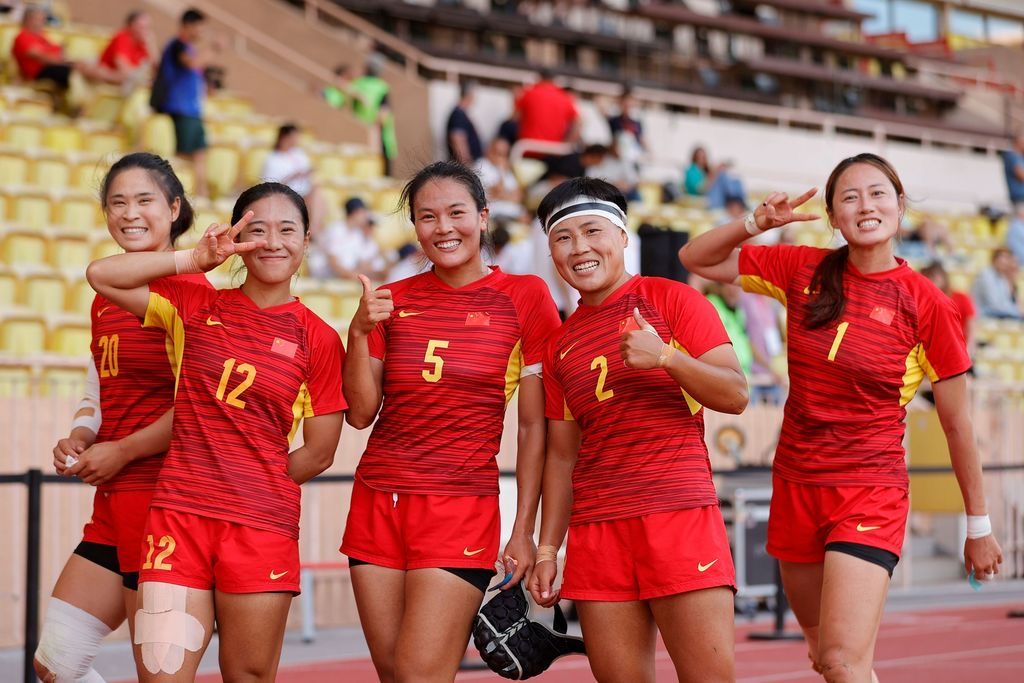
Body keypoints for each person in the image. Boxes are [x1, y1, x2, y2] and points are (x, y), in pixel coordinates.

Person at [679, 153, 1003, 682]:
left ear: (900, 206)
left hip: (868, 490)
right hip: (797, 485)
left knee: (841, 659)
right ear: (833, 216)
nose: (865, 205)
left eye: (878, 193)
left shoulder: (928, 305)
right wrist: (755, 225)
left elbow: (957, 426)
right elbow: (696, 257)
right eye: (849, 197)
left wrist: (979, 525)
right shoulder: (802, 268)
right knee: (829, 662)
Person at [86, 182, 347, 681]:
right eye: (257, 229)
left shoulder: (318, 337)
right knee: (161, 672)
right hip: (177, 518)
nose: (272, 241)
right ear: (237, 237)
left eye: (287, 229)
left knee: (247, 675)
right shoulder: (192, 301)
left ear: (307, 240)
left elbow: (318, 453)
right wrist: (193, 259)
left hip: (260, 527)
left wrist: (250, 483)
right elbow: (101, 275)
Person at [340, 161, 561, 682]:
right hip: (377, 500)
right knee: (394, 674)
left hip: (460, 507)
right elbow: (361, 413)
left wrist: (525, 531)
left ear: (483, 218)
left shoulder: (525, 296)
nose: (443, 228)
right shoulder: (390, 300)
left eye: (457, 213)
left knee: (421, 674)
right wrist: (357, 332)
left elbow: (536, 429)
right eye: (427, 217)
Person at [529, 177, 746, 683]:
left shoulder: (673, 301)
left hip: (678, 516)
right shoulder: (558, 344)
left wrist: (667, 358)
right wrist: (547, 548)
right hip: (597, 533)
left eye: (592, 231)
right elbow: (562, 457)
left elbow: (736, 394)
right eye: (563, 238)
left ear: (623, 236)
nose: (580, 247)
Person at [35, 153, 209, 683]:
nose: (129, 213)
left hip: (162, 499)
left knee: (156, 674)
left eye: (144, 200)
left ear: (174, 207)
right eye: (117, 202)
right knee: (56, 664)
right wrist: (83, 433)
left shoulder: (194, 294)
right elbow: (98, 380)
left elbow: (200, 409)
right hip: (113, 498)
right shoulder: (107, 296)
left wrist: (123, 450)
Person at [152, 8, 216, 197]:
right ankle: (176, 195)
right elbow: (193, 64)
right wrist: (214, 49)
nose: (201, 32)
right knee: (181, 158)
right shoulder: (177, 46)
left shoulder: (190, 49)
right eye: (199, 28)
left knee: (199, 155)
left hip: (193, 112)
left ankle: (200, 196)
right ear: (188, 26)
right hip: (180, 111)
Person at [11, 7, 117, 91]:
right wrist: (69, 63)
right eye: (38, 19)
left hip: (55, 67)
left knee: (86, 66)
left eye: (43, 20)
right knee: (77, 71)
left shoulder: (43, 38)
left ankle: (110, 81)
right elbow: (41, 57)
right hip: (40, 72)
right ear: (27, 20)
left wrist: (70, 61)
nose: (41, 23)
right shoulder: (23, 36)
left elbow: (59, 53)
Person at [261, 123, 326, 237]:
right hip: (285, 192)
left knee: (317, 191)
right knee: (314, 195)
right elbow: (270, 185)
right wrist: (292, 176)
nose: (296, 140)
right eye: (293, 137)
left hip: (303, 190)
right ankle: (312, 231)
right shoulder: (273, 159)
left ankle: (313, 228)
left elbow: (308, 170)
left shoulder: (298, 153)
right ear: (284, 138)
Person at [316, 197, 390, 282]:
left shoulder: (357, 234)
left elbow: (361, 265)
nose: (365, 216)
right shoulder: (336, 229)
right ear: (356, 213)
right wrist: (355, 277)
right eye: (363, 212)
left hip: (345, 276)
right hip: (327, 276)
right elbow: (333, 264)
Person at [349, 54, 397, 176]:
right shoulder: (382, 87)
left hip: (358, 133)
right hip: (379, 135)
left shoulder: (356, 84)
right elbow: (383, 113)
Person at [515, 69, 580, 151]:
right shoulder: (565, 98)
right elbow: (577, 123)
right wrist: (566, 145)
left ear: (540, 78)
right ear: (554, 80)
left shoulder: (528, 93)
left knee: (506, 126)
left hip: (526, 147)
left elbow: (515, 117)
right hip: (554, 151)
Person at [921, 261, 976, 357]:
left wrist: (969, 348)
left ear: (943, 277)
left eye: (935, 276)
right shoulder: (924, 301)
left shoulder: (961, 297)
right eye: (929, 277)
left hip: (959, 351)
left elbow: (971, 324)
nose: (932, 280)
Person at [98, 10, 154, 86]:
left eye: (147, 28)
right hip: (108, 77)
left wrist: (151, 46)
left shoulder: (143, 44)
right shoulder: (122, 37)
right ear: (131, 26)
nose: (145, 32)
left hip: (125, 81)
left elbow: (155, 70)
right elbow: (124, 68)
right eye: (141, 27)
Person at [475, 137, 525, 221]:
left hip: (509, 209)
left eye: (503, 154)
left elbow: (519, 197)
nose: (500, 157)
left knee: (526, 216)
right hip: (491, 210)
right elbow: (497, 191)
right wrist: (501, 171)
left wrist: (504, 195)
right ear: (489, 151)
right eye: (497, 153)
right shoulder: (482, 165)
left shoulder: (506, 170)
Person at [684, 146, 747, 211]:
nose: (702, 160)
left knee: (735, 180)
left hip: (712, 195)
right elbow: (700, 189)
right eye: (700, 157)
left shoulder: (703, 170)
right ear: (695, 158)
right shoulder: (692, 171)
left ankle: (737, 199)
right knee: (722, 175)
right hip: (702, 197)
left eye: (704, 157)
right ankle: (738, 200)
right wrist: (714, 173)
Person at [972, 247, 1022, 320]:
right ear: (994, 259)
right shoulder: (986, 275)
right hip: (983, 314)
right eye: (1003, 258)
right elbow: (994, 304)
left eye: (1007, 258)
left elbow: (1005, 302)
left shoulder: (1002, 277)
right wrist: (1017, 312)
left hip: (996, 313)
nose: (1005, 262)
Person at [446, 80, 483, 165]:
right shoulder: (458, 115)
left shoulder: (461, 114)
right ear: (470, 94)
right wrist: (467, 166)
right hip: (464, 167)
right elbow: (458, 141)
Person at [1000, 133, 1024, 207]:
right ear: (1019, 142)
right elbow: (1021, 175)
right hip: (1019, 198)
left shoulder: (1020, 157)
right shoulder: (1012, 156)